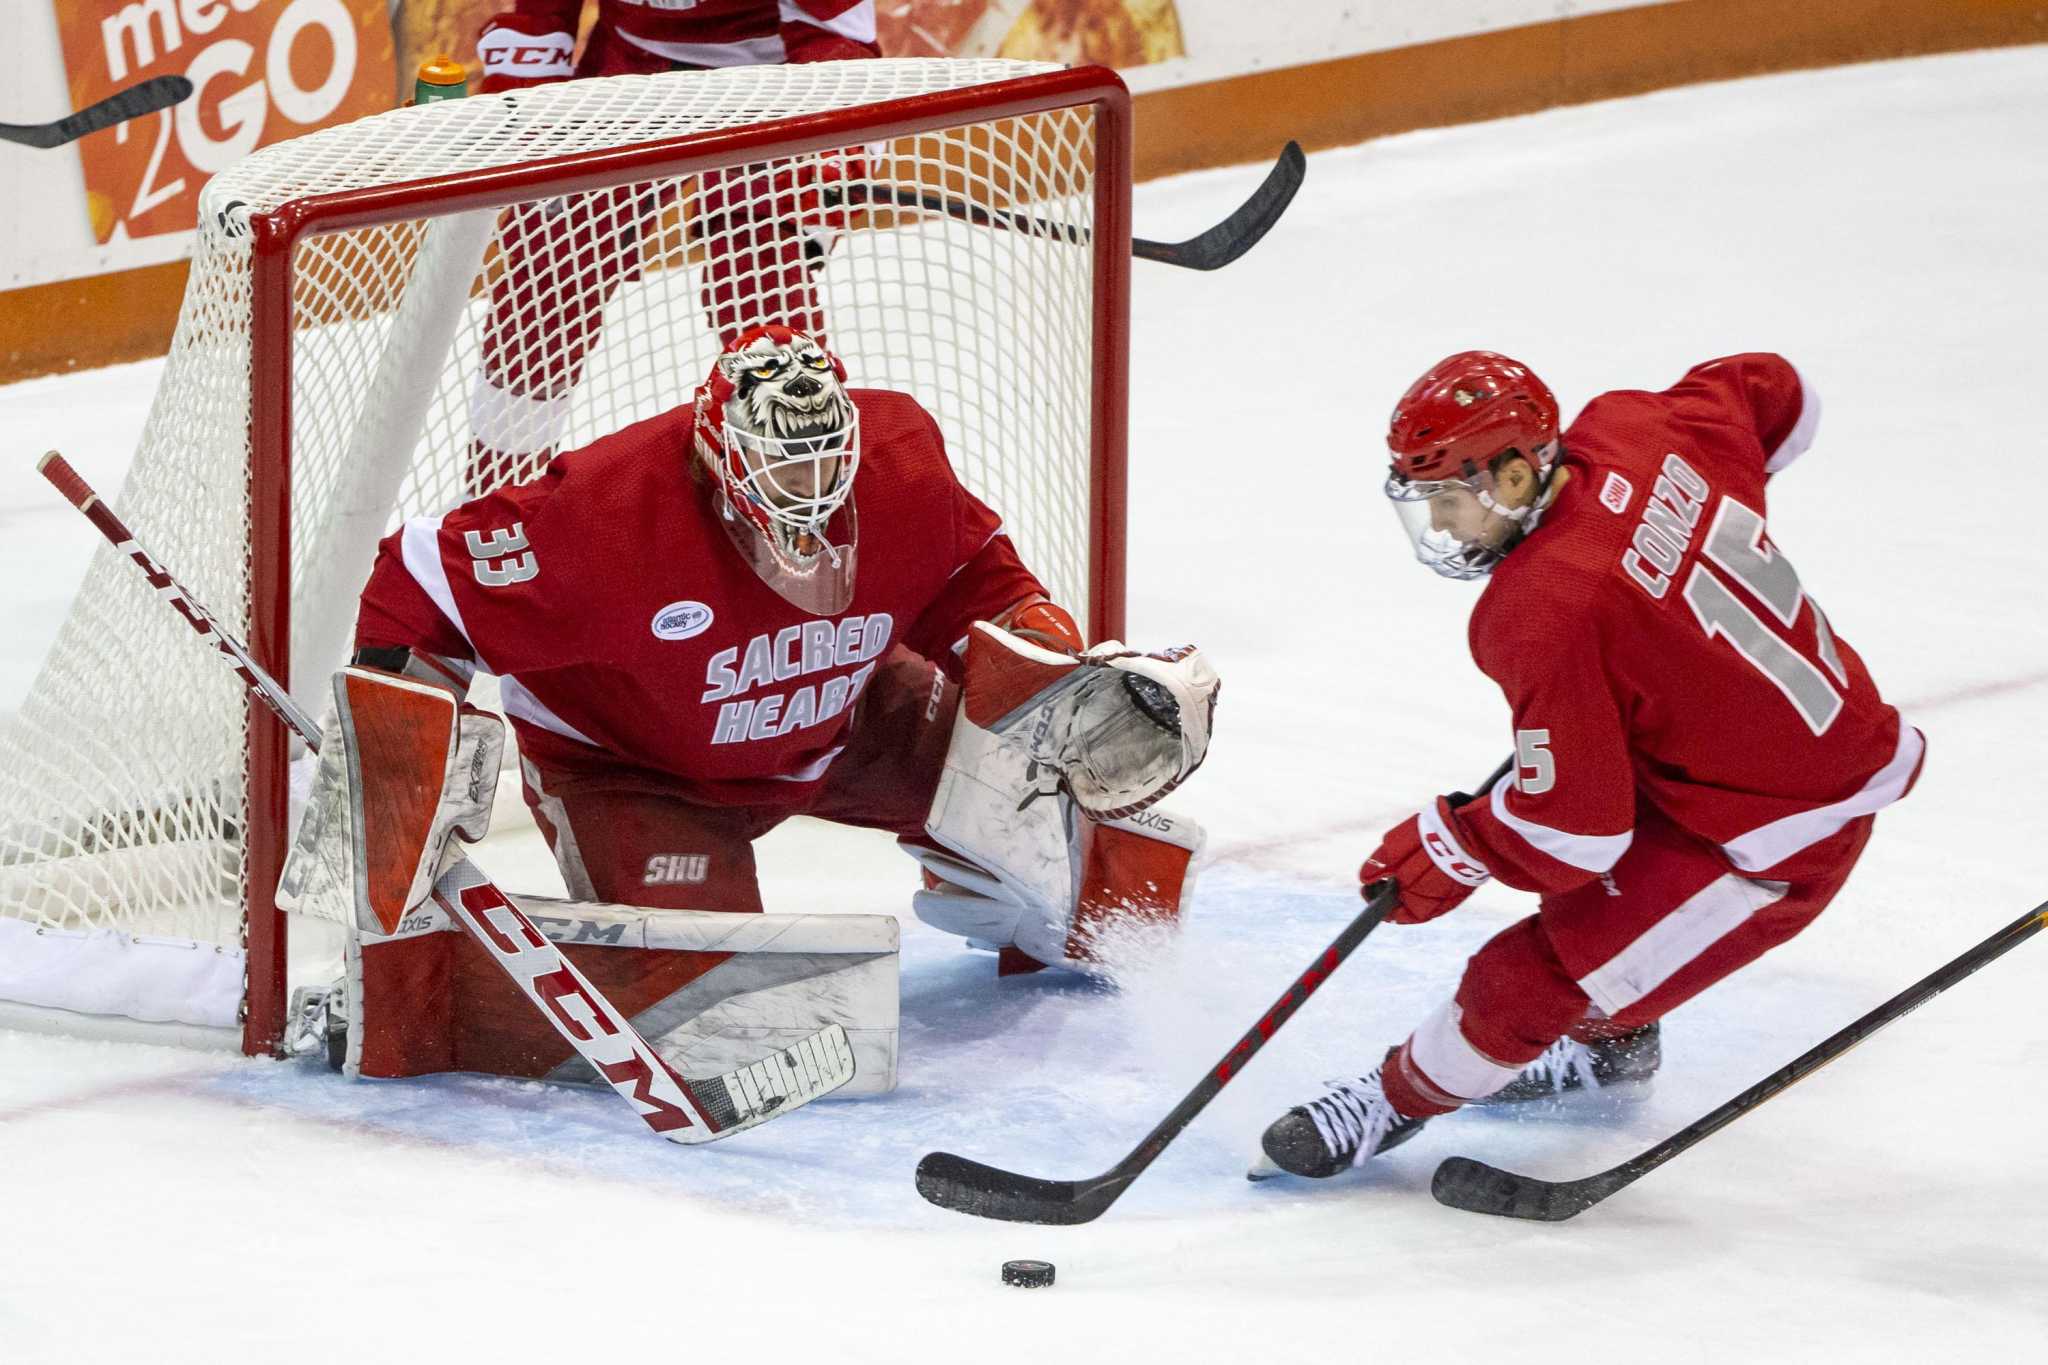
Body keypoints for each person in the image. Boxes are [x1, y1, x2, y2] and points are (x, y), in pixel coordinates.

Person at [347, 324, 1215, 986]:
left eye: (821, 466)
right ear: (722, 454)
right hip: (640, 772)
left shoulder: (894, 459)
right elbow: (418, 577)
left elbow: (973, 577)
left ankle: (1016, 894)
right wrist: (400, 758)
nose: (808, 494)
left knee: (1102, 885)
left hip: (845, 715)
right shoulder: (601, 519)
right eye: (781, 471)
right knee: (721, 996)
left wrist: (1044, 655)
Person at [1254, 350, 1923, 1180]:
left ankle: (1390, 1103)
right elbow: (1779, 391)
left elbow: (1577, 832)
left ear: (1511, 474)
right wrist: (1695, 541)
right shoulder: (1639, 427)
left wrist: (1454, 844)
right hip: (1767, 747)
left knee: (1531, 971)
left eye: (1452, 502)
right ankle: (1614, 1048)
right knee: (1586, 865)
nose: (1445, 529)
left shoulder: (1542, 608)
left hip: (1777, 833)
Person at [467, 2, 883, 487]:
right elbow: (543, 12)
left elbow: (830, 33)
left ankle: (804, 485)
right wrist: (522, 99)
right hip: (631, 67)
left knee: (761, 280)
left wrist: (832, 138)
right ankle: (498, 493)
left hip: (771, 78)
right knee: (547, 282)